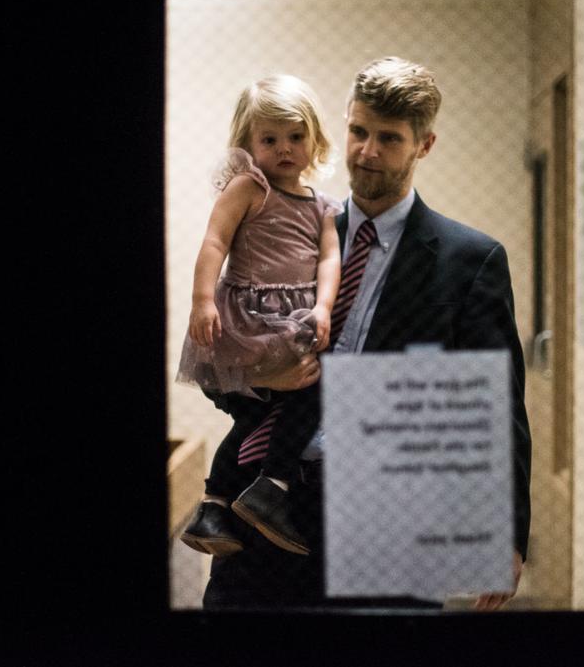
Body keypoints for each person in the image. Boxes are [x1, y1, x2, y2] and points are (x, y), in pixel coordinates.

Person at [201, 57, 531, 612]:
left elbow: (499, 405)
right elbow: (217, 367)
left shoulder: (469, 260)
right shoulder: (282, 226)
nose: (367, 152)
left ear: (424, 145)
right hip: (261, 503)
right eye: (358, 131)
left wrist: (507, 531)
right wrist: (266, 376)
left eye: (389, 138)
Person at [176, 75, 342, 558]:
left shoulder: (323, 207)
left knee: (267, 414)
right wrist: (202, 300)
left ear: (315, 139)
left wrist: (325, 306)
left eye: (295, 137)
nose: (284, 149)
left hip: (292, 324)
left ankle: (215, 506)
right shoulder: (251, 187)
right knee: (295, 399)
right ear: (248, 143)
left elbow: (329, 259)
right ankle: (270, 487)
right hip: (247, 324)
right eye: (269, 139)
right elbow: (214, 241)